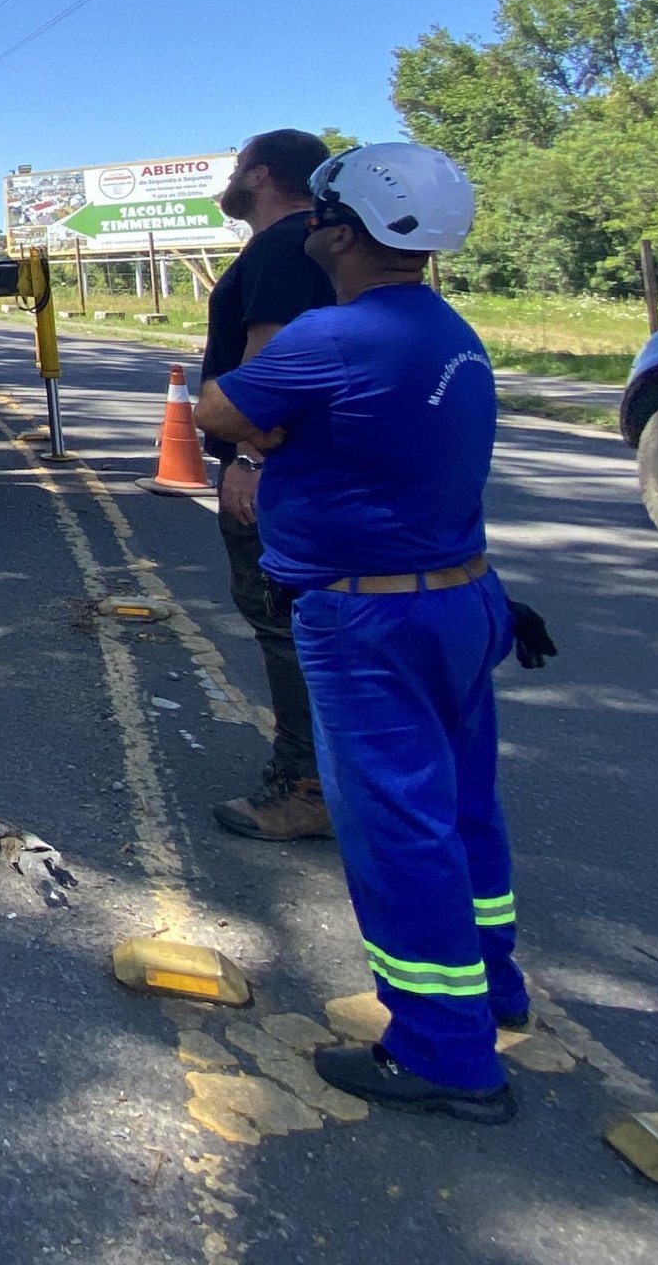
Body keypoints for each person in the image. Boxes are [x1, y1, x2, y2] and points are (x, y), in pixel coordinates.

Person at [192, 144, 525, 1123]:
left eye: (317, 219)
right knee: (465, 808)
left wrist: (274, 437)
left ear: (341, 230)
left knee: (395, 829)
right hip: (462, 598)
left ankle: (443, 1052)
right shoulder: (451, 332)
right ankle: (493, 988)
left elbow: (221, 409)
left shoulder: (331, 338)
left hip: (366, 612)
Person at [196, 129, 340, 842]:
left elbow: (267, 372)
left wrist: (247, 459)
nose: (230, 177)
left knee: (285, 629)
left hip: (278, 473)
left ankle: (306, 786)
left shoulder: (283, 246)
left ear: (259, 175)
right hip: (316, 467)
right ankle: (344, 777)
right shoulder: (319, 243)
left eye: (235, 166)